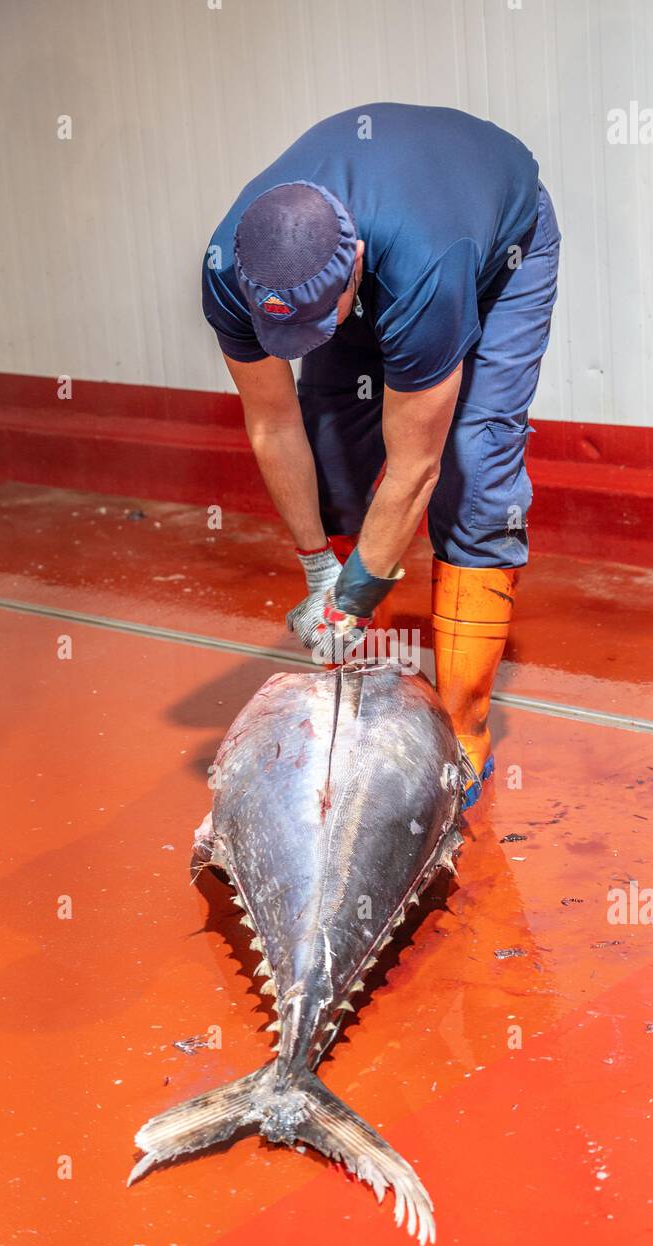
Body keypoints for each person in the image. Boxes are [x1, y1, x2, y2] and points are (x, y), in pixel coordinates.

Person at [203, 102, 560, 807]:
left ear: (355, 267)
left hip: (496, 245)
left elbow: (414, 467)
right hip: (380, 259)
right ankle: (350, 687)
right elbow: (274, 426)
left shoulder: (428, 265)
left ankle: (461, 737)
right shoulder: (230, 268)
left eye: (316, 326)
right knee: (331, 441)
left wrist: (355, 598)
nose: (299, 347)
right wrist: (317, 572)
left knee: (473, 466)